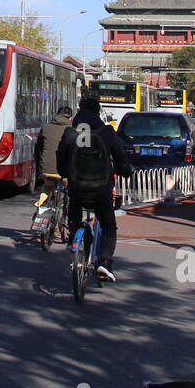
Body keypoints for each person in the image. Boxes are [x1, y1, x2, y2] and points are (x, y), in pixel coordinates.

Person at [57, 94, 133, 282]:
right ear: (98, 113)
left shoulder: (70, 133)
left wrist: (67, 175)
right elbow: (122, 160)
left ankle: (75, 238)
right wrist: (126, 171)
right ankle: (105, 262)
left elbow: (61, 163)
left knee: (74, 215)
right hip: (101, 189)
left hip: (76, 188)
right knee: (108, 225)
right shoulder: (106, 132)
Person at [33, 106, 73, 208]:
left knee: (47, 186)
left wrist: (40, 167)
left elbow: (38, 148)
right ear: (70, 117)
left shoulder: (46, 127)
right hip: (65, 174)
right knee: (72, 191)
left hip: (46, 171)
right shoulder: (73, 129)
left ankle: (40, 205)